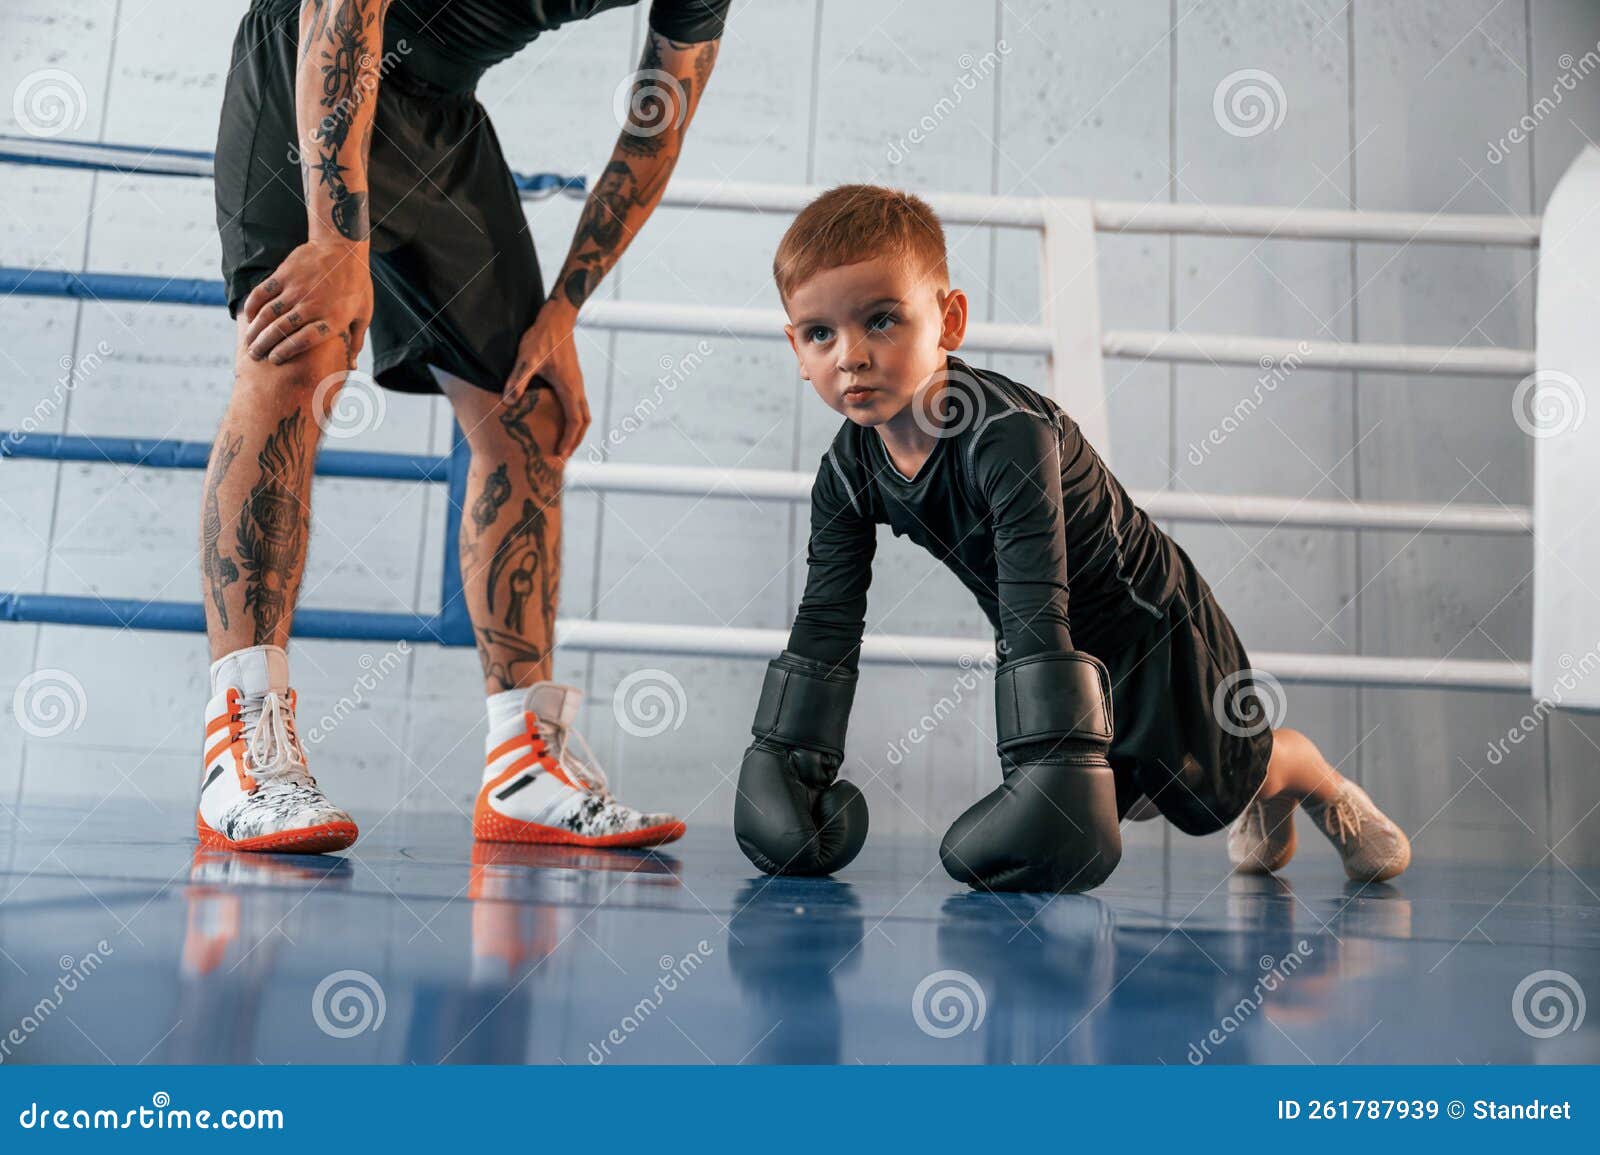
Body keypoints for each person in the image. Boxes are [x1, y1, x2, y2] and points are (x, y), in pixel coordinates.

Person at [732, 185, 1412, 892]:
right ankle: (1253, 788)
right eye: (820, 333)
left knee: (1206, 789)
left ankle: (1298, 771)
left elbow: (1033, 600)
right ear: (796, 347)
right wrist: (787, 760)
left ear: (949, 320)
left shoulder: (1004, 434)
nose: (851, 356)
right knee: (1134, 798)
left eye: (881, 320)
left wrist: (1049, 756)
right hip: (1058, 645)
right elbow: (827, 618)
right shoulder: (848, 469)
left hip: (1151, 626)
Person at [197, 0, 729, 852]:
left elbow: (655, 129)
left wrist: (562, 309)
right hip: (317, 54)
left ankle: (523, 766)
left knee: (532, 410)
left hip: (441, 116)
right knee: (301, 351)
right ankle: (244, 746)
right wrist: (338, 237)